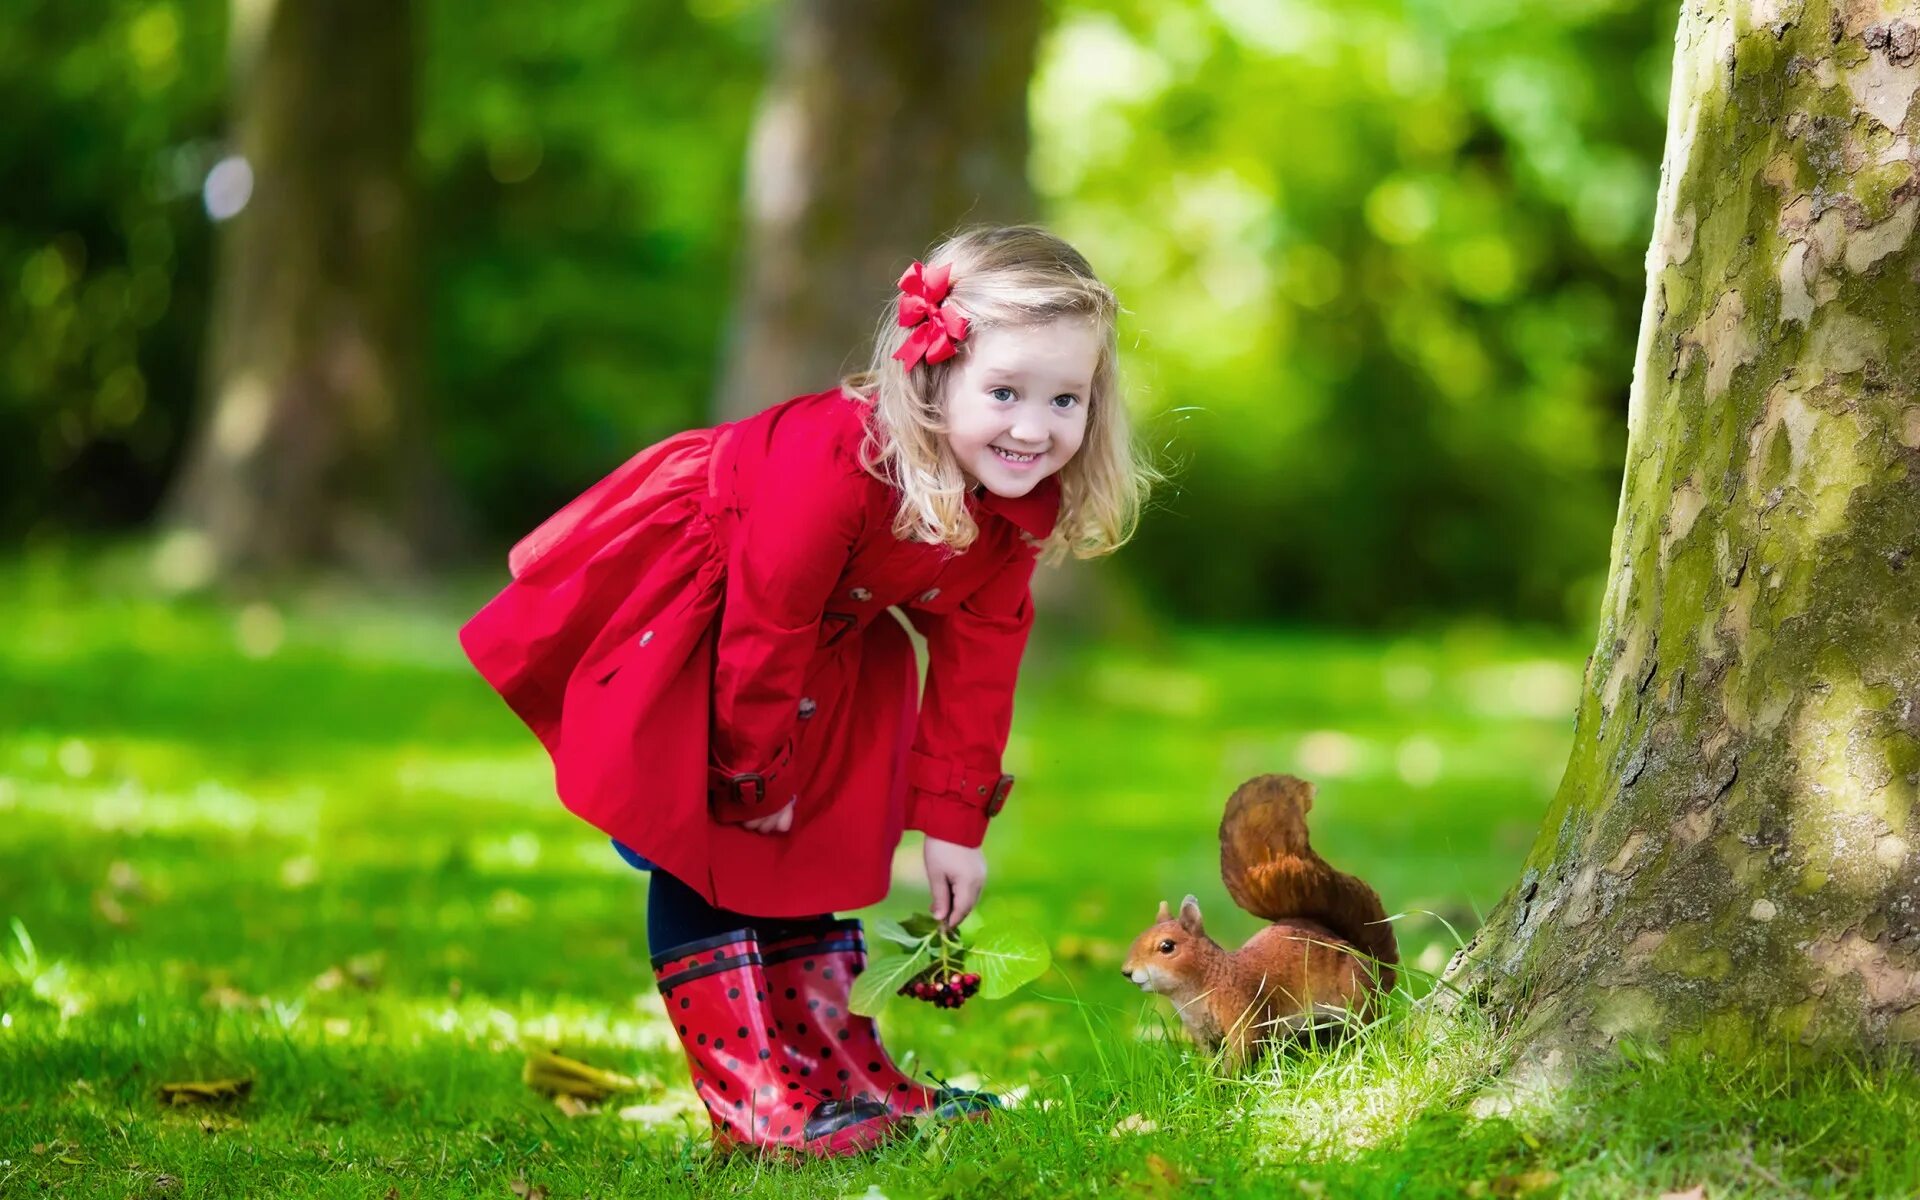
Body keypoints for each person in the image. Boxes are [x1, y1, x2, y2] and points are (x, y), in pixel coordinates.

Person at [459, 225, 1154, 1157]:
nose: (1034, 427)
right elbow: (764, 627)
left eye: (1064, 398)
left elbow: (981, 658)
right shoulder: (836, 464)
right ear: (932, 377)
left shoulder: (1016, 504)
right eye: (1004, 393)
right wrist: (757, 779)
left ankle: (835, 1073)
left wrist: (954, 825)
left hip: (826, 639)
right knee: (708, 847)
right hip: (708, 610)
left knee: (822, 840)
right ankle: (750, 1093)